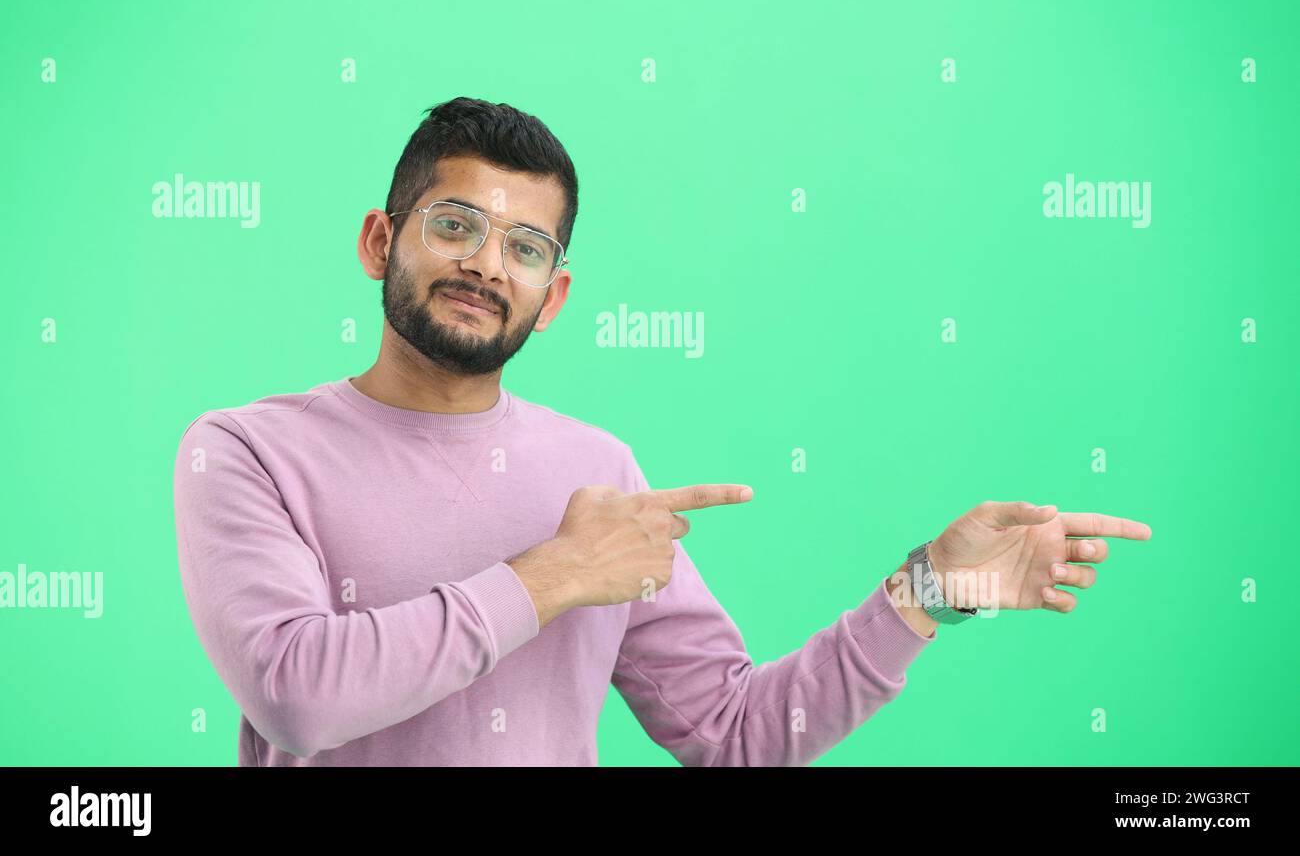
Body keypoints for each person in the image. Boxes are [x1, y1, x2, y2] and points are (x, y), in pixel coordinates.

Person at [173, 97, 1152, 766]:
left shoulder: (595, 471)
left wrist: (925, 594)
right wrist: (556, 573)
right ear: (380, 240)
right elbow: (295, 693)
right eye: (455, 223)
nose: (484, 263)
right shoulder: (247, 449)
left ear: (550, 296)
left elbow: (730, 732)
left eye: (523, 246)